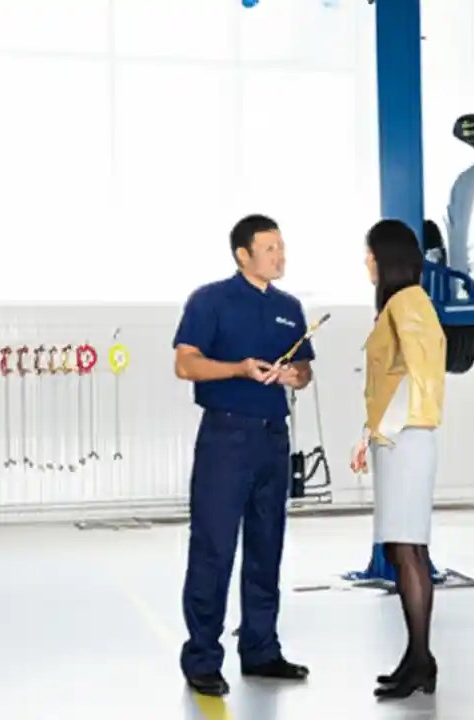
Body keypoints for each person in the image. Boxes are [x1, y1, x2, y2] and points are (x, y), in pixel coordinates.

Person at [171, 214, 315, 697]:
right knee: (213, 547)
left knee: (266, 546)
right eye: (270, 248)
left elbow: (305, 369)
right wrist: (237, 369)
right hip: (225, 440)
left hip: (274, 438)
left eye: (282, 247)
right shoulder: (209, 300)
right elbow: (184, 363)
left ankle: (260, 650)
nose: (280, 255)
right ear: (242, 254)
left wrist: (295, 376)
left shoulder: (290, 307)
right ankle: (203, 657)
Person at [349, 218, 447, 700]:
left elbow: (420, 375)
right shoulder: (398, 305)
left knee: (407, 549)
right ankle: (417, 657)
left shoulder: (409, 302)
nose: (365, 261)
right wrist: (372, 434)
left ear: (384, 256)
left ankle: (421, 661)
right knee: (401, 549)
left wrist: (377, 433)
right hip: (396, 437)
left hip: (406, 438)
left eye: (369, 253)